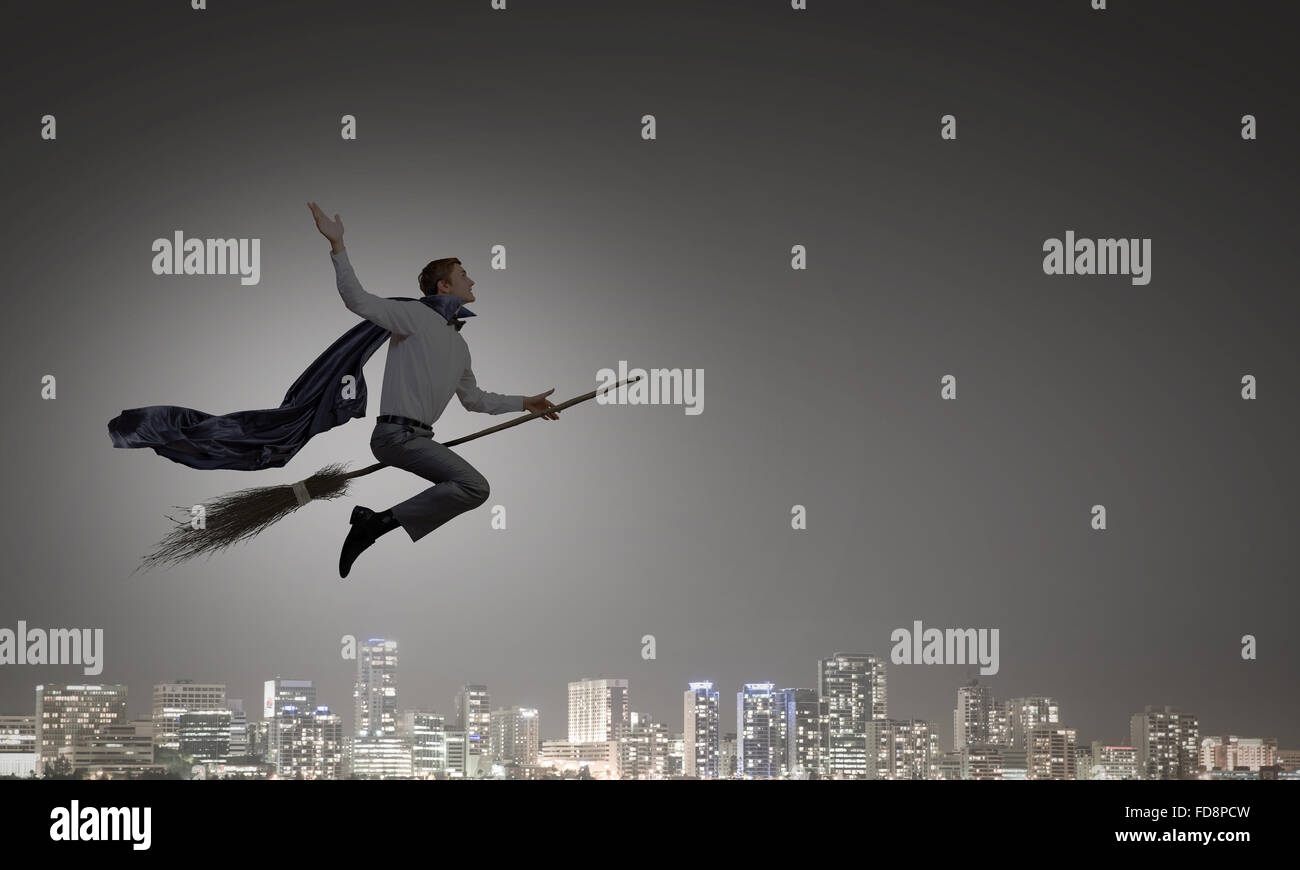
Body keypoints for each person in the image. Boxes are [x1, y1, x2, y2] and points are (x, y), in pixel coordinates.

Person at [307, 202, 560, 578]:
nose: (472, 281)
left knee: (472, 488)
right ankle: (374, 525)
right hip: (395, 436)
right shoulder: (415, 315)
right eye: (463, 274)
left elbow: (475, 400)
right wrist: (338, 245)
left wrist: (525, 403)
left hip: (418, 438)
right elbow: (356, 299)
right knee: (475, 487)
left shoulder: (459, 346)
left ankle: (372, 521)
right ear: (444, 286)